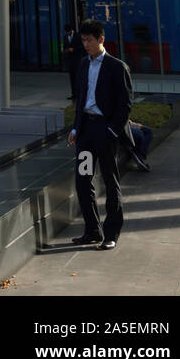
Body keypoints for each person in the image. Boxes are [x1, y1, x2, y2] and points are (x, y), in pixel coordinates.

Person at [68, 19, 134, 250]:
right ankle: (92, 230)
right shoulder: (83, 65)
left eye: (89, 40)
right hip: (86, 132)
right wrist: (76, 128)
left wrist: (111, 131)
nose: (85, 44)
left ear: (101, 39)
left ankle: (111, 234)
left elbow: (125, 106)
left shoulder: (117, 67)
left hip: (105, 132)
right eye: (83, 40)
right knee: (83, 179)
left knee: (109, 180)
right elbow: (81, 100)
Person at [63, 23, 82, 100]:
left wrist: (74, 49)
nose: (68, 33)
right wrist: (66, 50)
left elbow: (82, 46)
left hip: (77, 60)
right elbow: (64, 47)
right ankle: (74, 94)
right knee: (72, 78)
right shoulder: (65, 37)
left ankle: (79, 94)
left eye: (69, 32)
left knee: (78, 78)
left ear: (71, 30)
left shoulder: (78, 36)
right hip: (70, 61)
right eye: (67, 32)